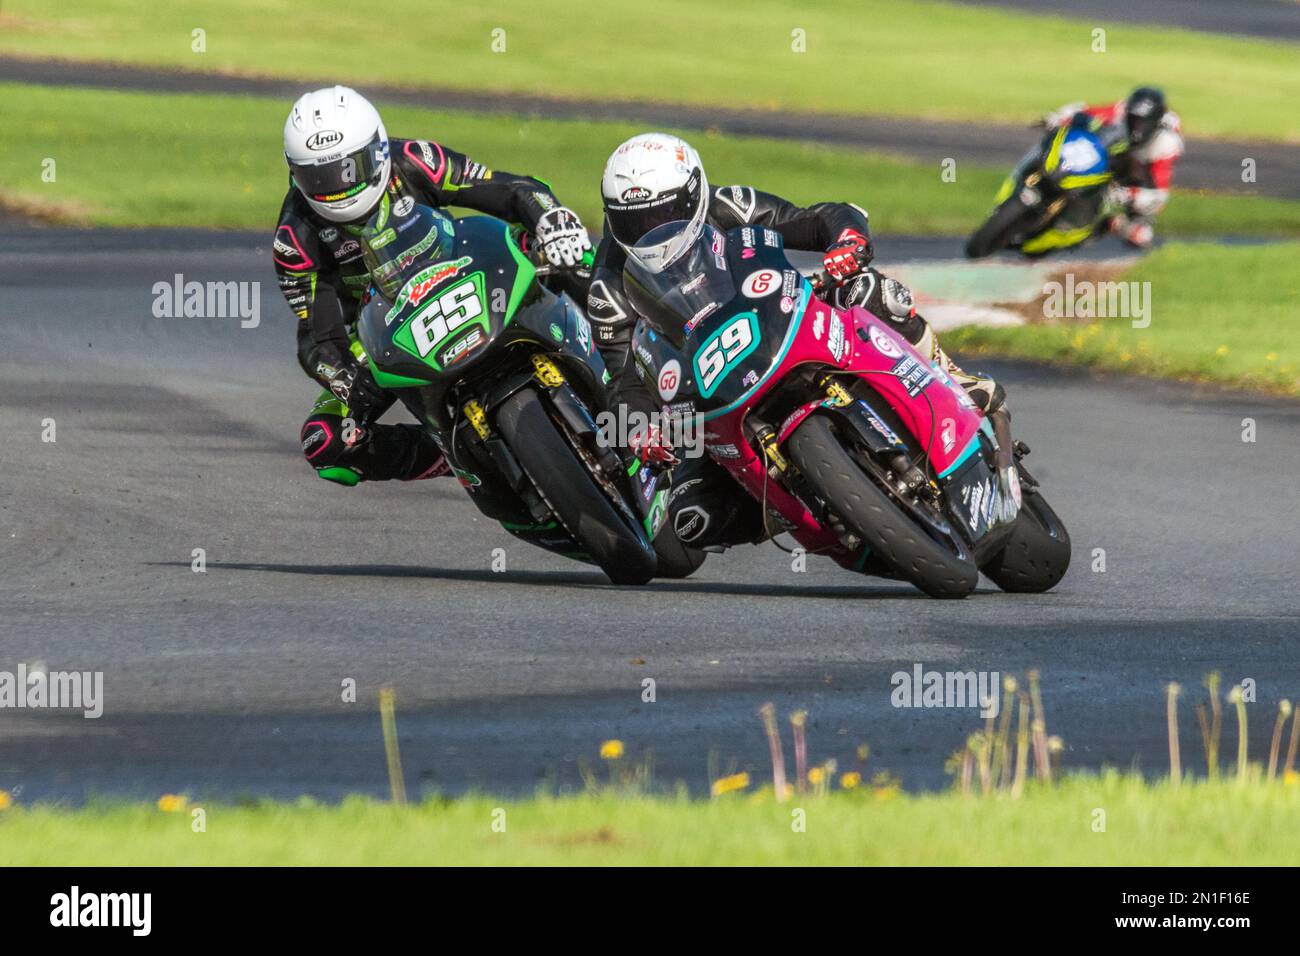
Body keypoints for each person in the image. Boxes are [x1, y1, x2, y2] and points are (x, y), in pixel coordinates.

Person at [589, 132, 1003, 551]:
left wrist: (847, 242)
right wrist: (640, 429)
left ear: (694, 193)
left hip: (774, 322)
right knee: (692, 520)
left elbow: (819, 218)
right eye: (634, 221)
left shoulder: (727, 205)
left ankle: (953, 377)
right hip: (707, 397)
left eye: (665, 213)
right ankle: (796, 503)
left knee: (867, 291)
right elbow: (622, 379)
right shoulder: (608, 284)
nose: (652, 230)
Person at [275, 86, 593, 485]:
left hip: (464, 270)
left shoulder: (414, 160)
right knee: (323, 441)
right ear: (294, 172)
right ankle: (454, 454)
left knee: (569, 250)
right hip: (384, 335)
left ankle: (625, 349)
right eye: (318, 176)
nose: (337, 187)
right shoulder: (295, 239)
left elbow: (511, 190)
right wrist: (346, 380)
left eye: (349, 169)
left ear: (376, 150)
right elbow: (317, 339)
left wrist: (551, 219)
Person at [1043, 86, 1183, 249]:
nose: (1137, 128)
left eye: (1143, 123)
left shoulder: (1167, 144)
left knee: (1141, 235)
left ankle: (1108, 224)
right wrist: (1059, 117)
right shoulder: (1122, 112)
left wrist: (1129, 195)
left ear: (1156, 123)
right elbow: (1086, 111)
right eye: (1134, 120)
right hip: (1116, 153)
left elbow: (1158, 195)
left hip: (1139, 175)